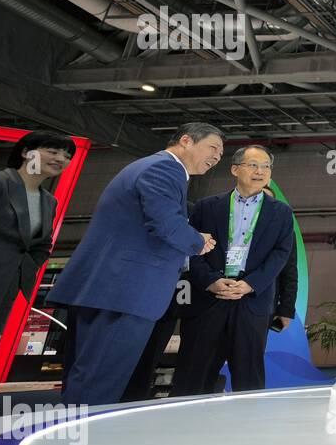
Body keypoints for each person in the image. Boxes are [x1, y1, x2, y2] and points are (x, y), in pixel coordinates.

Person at [50, 123, 222, 405]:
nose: (216, 157)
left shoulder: (148, 166)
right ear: (186, 140)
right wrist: (197, 241)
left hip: (106, 289)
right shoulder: (164, 169)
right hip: (125, 292)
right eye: (213, 148)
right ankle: (86, 442)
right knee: (100, 382)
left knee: (84, 376)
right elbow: (166, 223)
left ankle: (68, 438)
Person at [171, 145, 294, 395]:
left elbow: (281, 255)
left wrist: (251, 284)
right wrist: (210, 281)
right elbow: (190, 250)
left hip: (251, 302)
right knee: (193, 375)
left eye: (266, 167)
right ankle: (184, 429)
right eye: (253, 165)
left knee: (249, 379)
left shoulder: (281, 212)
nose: (260, 171)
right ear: (235, 169)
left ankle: (245, 431)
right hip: (209, 299)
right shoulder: (207, 207)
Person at [0, 131, 75, 353]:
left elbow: (41, 246)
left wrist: (21, 272)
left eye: (66, 156)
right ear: (26, 152)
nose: (61, 159)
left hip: (5, 288)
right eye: (52, 151)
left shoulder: (48, 201)